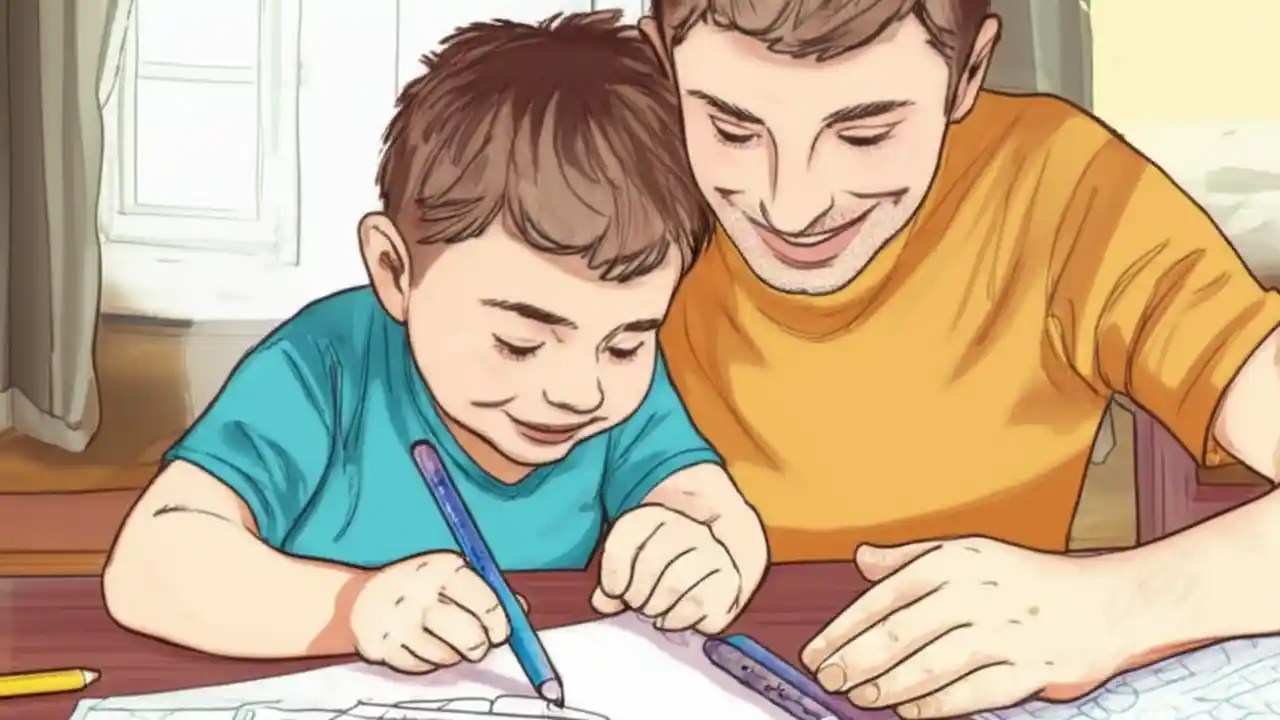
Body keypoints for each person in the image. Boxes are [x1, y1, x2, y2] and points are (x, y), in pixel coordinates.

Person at [644, 0, 1280, 717]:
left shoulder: (1062, 191)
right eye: (731, 129)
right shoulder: (609, 189)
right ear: (662, 66)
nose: (793, 207)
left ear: (967, 74)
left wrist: (1110, 610)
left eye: (866, 132)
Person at [102, 11, 767, 676]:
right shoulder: (323, 366)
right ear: (395, 272)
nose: (580, 391)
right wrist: (355, 609)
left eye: (625, 344)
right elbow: (151, 564)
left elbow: (707, 506)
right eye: (518, 342)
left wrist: (708, 552)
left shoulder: (621, 393)